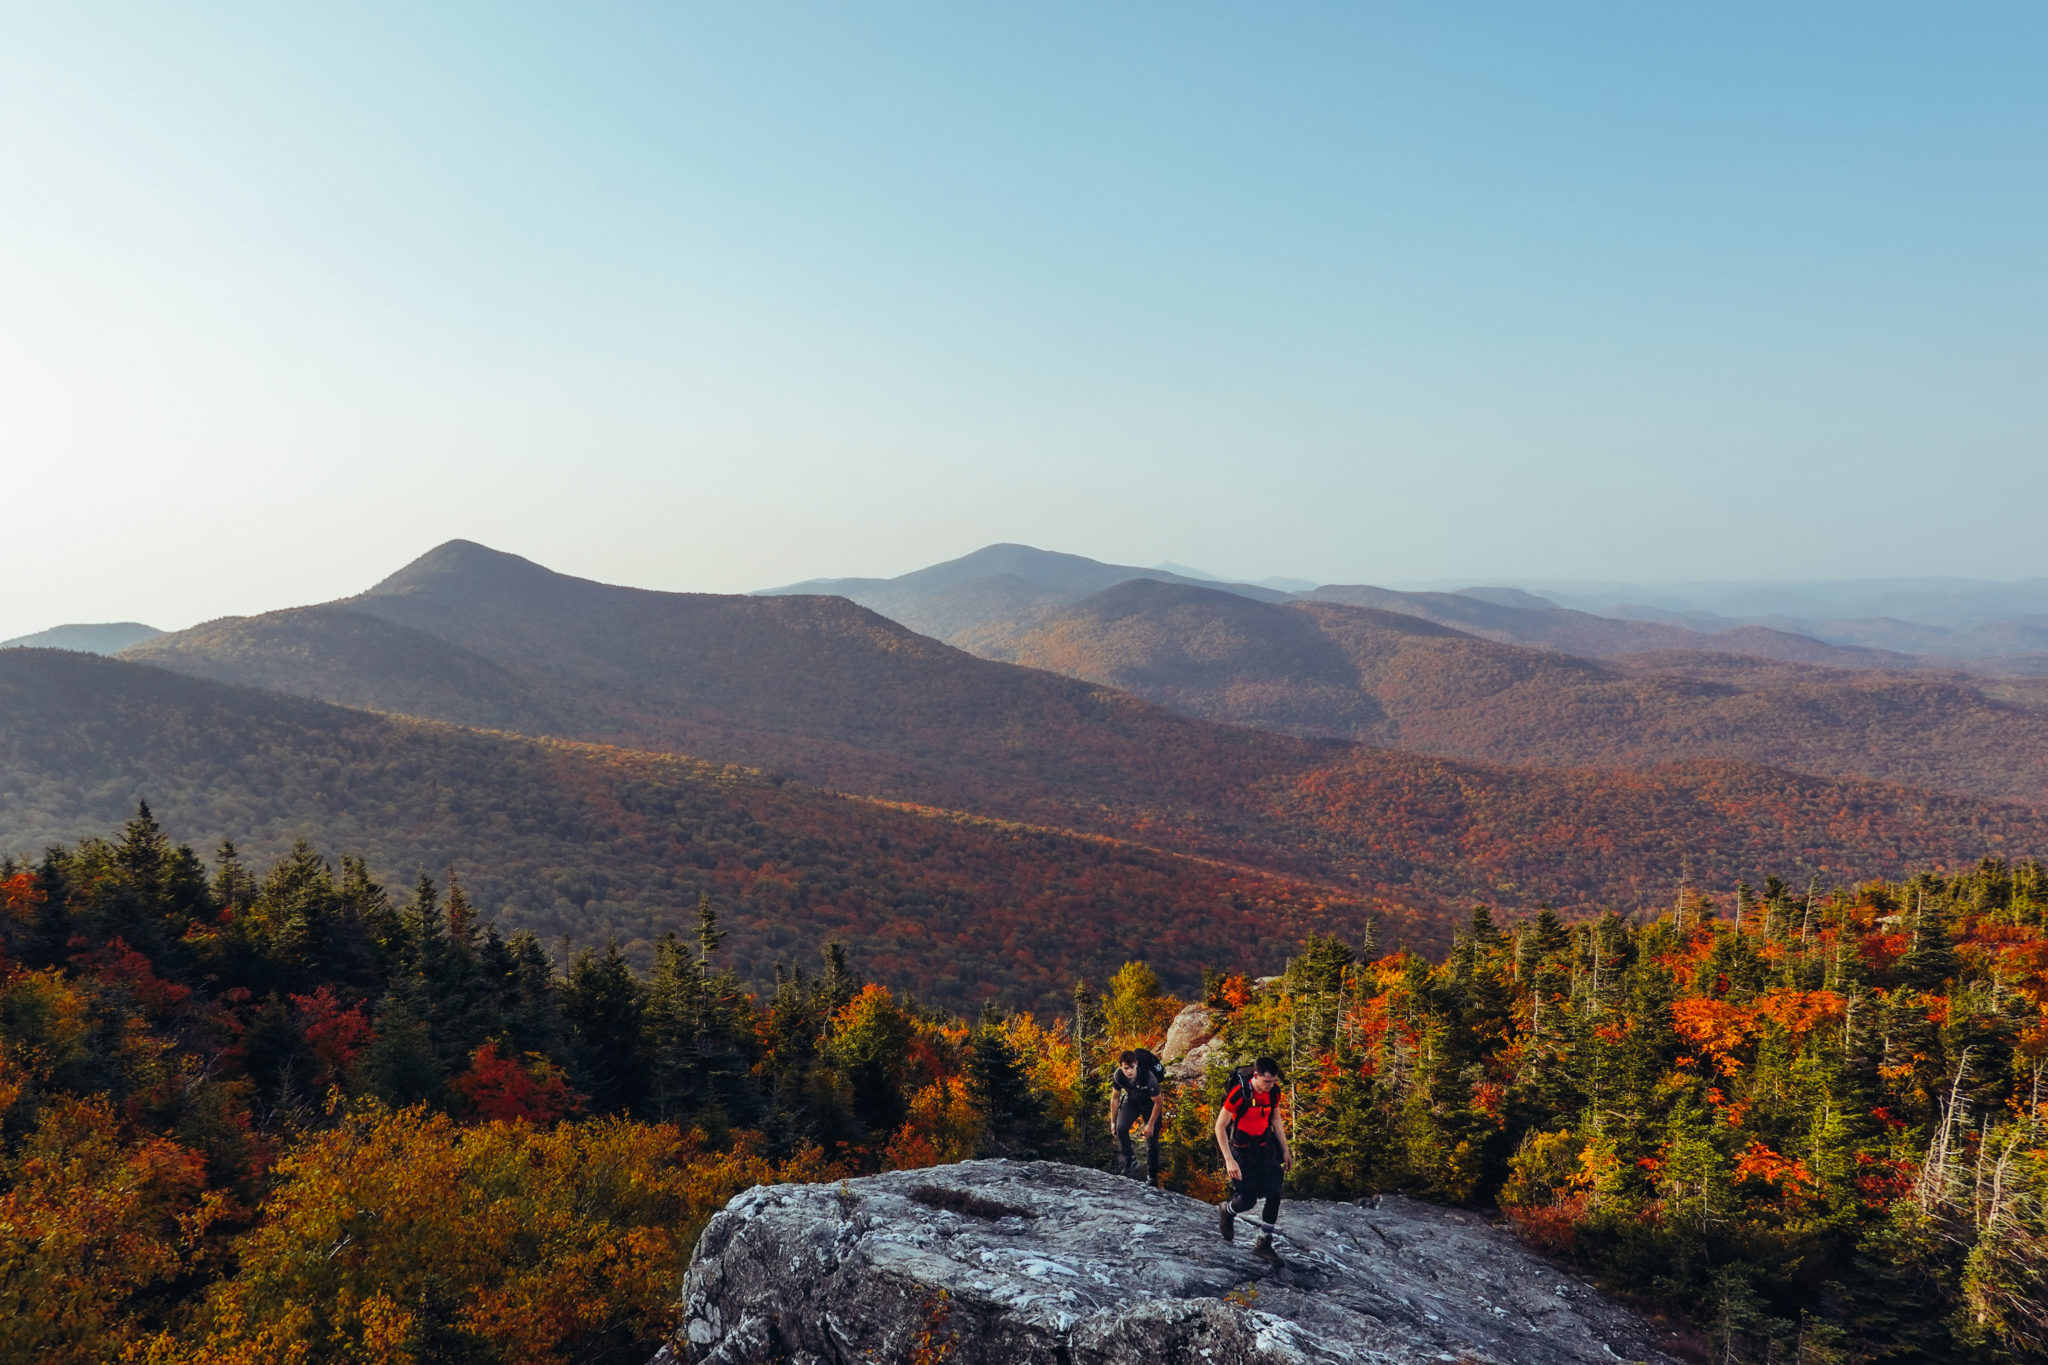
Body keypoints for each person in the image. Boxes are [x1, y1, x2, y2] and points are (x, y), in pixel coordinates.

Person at [1214, 1056, 1292, 1261]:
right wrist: (1229, 1160)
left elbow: (1275, 1119)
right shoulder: (1240, 1093)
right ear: (1256, 1076)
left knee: (1275, 1191)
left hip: (1265, 1147)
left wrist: (1285, 1150)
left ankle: (1264, 1242)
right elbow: (1220, 1126)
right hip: (1242, 1150)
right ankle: (1228, 1211)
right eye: (1267, 1081)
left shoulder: (1273, 1092)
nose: (1271, 1085)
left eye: (1274, 1081)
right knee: (1247, 1200)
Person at [1108, 1048, 1165, 1183]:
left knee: (1151, 1139)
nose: (1129, 1071)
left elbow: (1159, 1102)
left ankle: (1152, 1176)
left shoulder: (1148, 1078)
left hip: (1150, 1105)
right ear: (1121, 1067)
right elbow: (1115, 1098)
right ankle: (1130, 1161)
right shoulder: (1118, 1076)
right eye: (1126, 1068)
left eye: (1132, 1067)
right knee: (1121, 1128)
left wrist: (1150, 1124)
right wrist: (1112, 1122)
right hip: (1132, 1100)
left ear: (1137, 1064)